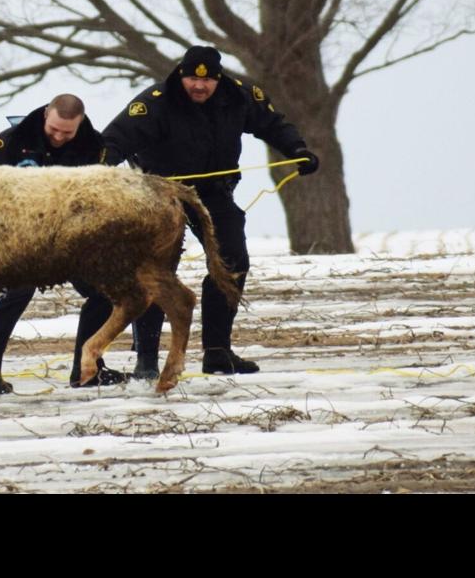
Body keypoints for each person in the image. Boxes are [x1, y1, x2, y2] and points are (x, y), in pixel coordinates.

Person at [100, 45, 318, 377]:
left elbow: (273, 123)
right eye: (191, 79)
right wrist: (96, 174)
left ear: (218, 79)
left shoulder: (239, 96)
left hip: (214, 194)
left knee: (232, 262)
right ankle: (147, 361)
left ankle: (217, 352)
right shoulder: (155, 101)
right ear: (181, 74)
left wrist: (297, 149)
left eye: (207, 81)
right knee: (155, 273)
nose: (199, 86)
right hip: (161, 195)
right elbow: (113, 141)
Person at [0, 94, 132, 394]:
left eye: (66, 133)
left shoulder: (94, 148)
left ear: (79, 124)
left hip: (71, 238)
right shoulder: (10, 142)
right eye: (54, 129)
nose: (58, 137)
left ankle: (87, 369)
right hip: (18, 236)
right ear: (46, 115)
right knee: (18, 290)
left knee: (106, 293)